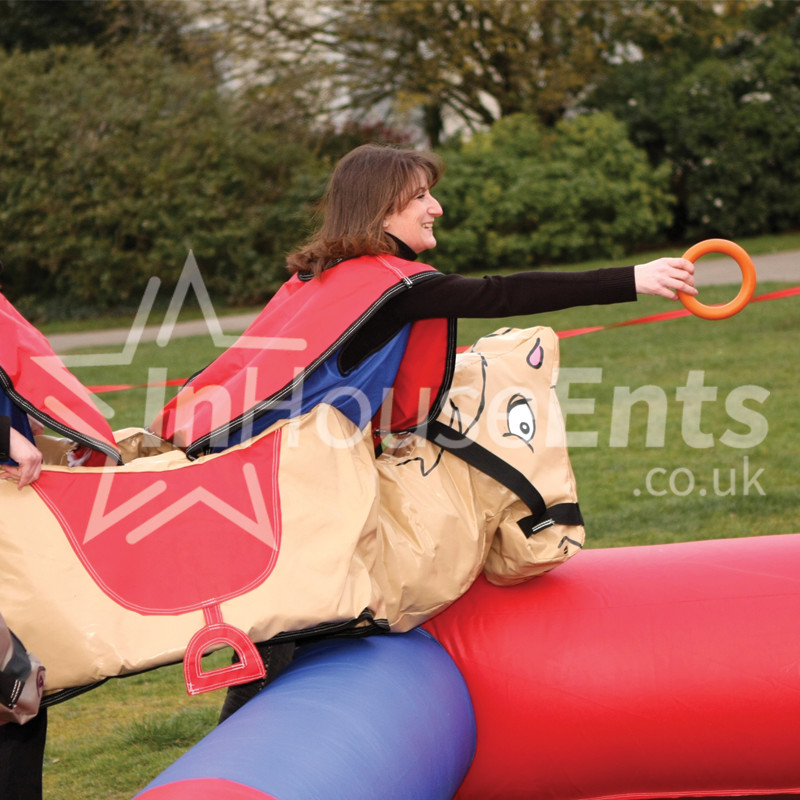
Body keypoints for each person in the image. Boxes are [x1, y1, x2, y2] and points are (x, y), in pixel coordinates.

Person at [218, 142, 697, 721]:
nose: (436, 207)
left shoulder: (322, 277)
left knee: (290, 635)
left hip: (265, 476)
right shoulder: (394, 287)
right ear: (381, 211)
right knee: (287, 639)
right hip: (293, 488)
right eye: (420, 196)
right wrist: (635, 277)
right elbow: (501, 293)